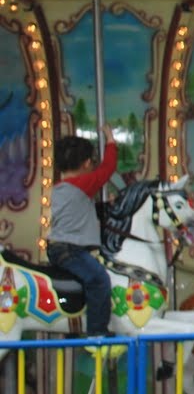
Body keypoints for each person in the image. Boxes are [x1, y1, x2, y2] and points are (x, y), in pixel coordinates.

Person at [47, 129, 119, 338]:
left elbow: (78, 215)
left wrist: (104, 206)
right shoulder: (82, 184)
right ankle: (96, 332)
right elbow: (108, 169)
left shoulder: (61, 188)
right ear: (87, 163)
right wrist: (111, 142)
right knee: (99, 280)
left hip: (60, 247)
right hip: (70, 249)